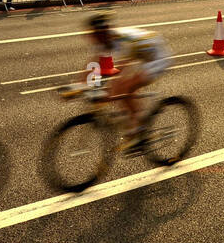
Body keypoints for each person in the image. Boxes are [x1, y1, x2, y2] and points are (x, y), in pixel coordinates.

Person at [72, 11, 172, 153]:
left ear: (103, 33)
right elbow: (92, 64)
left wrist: (104, 93)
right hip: (141, 56)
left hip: (157, 57)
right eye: (91, 35)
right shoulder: (103, 40)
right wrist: (78, 86)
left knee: (122, 89)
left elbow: (122, 70)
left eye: (94, 35)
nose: (91, 38)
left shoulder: (122, 41)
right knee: (118, 91)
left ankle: (139, 127)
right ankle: (136, 124)